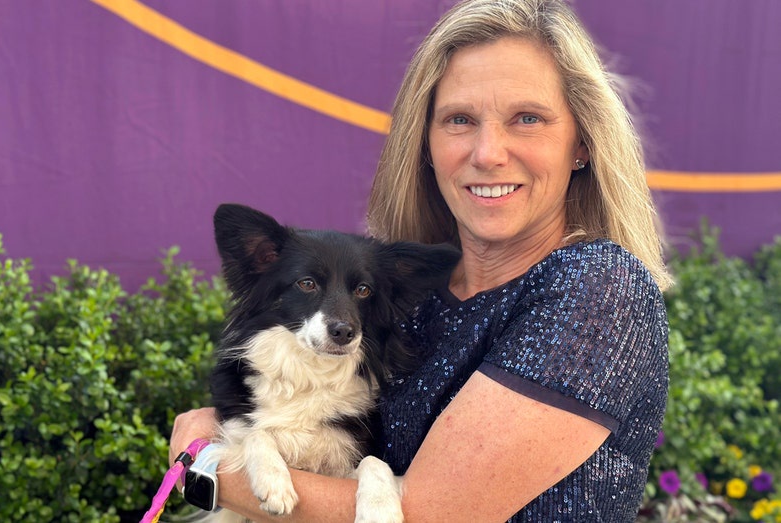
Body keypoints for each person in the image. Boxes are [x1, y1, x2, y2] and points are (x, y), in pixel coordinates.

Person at [169, 0, 672, 520]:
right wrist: (239, 426)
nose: (488, 152)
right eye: (459, 119)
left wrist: (206, 467)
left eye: (528, 118)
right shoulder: (404, 295)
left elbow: (433, 513)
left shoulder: (599, 289)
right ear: (426, 143)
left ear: (582, 143)